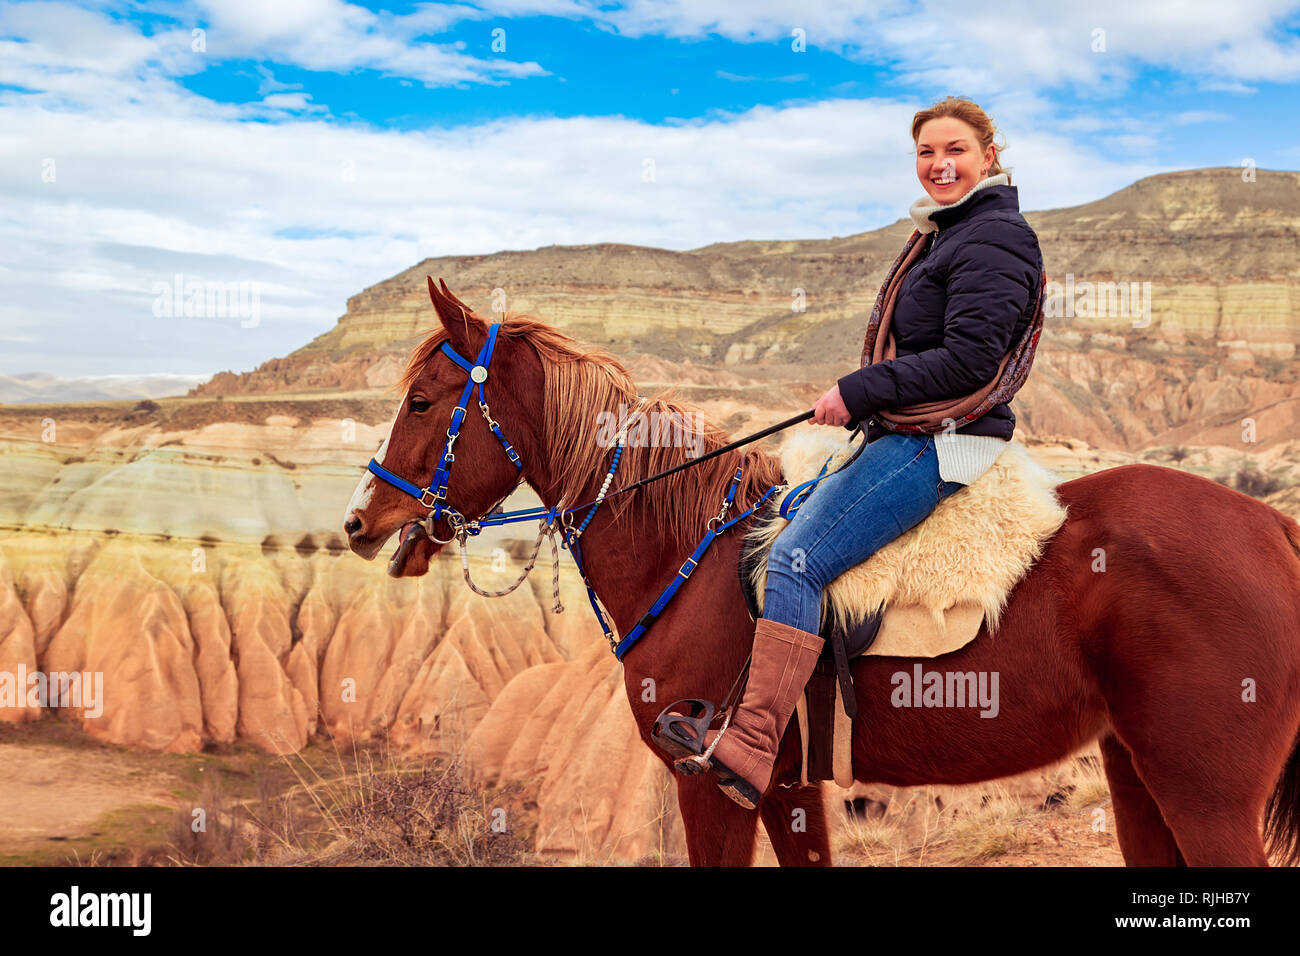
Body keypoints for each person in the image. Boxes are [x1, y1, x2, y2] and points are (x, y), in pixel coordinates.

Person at [680, 96, 1046, 809]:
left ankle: (754, 741)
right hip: (904, 426)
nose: (939, 164)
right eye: (925, 153)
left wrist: (861, 389)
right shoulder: (951, 233)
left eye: (955, 150)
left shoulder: (993, 237)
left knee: (797, 557)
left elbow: (970, 359)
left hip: (940, 442)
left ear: (989, 156)